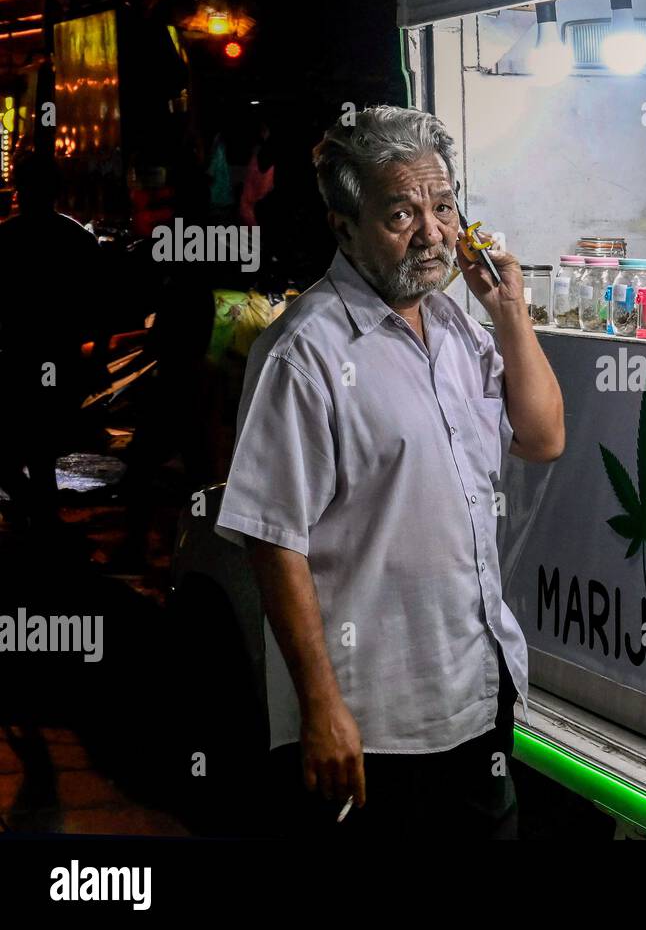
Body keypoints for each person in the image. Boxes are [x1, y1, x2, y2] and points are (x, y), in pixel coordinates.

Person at [214, 105, 565, 839]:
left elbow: (542, 438)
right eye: (402, 213)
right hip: (374, 720)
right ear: (344, 225)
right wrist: (321, 706)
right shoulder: (303, 352)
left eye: (443, 207)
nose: (433, 233)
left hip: (475, 689)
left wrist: (508, 313)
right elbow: (272, 540)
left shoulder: (456, 328)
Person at [0, 153, 108, 543]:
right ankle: (40, 514)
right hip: (59, 360)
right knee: (40, 448)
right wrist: (97, 359)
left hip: (20, 358)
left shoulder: (9, 238)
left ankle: (37, 513)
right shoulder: (77, 238)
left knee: (26, 446)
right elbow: (101, 307)